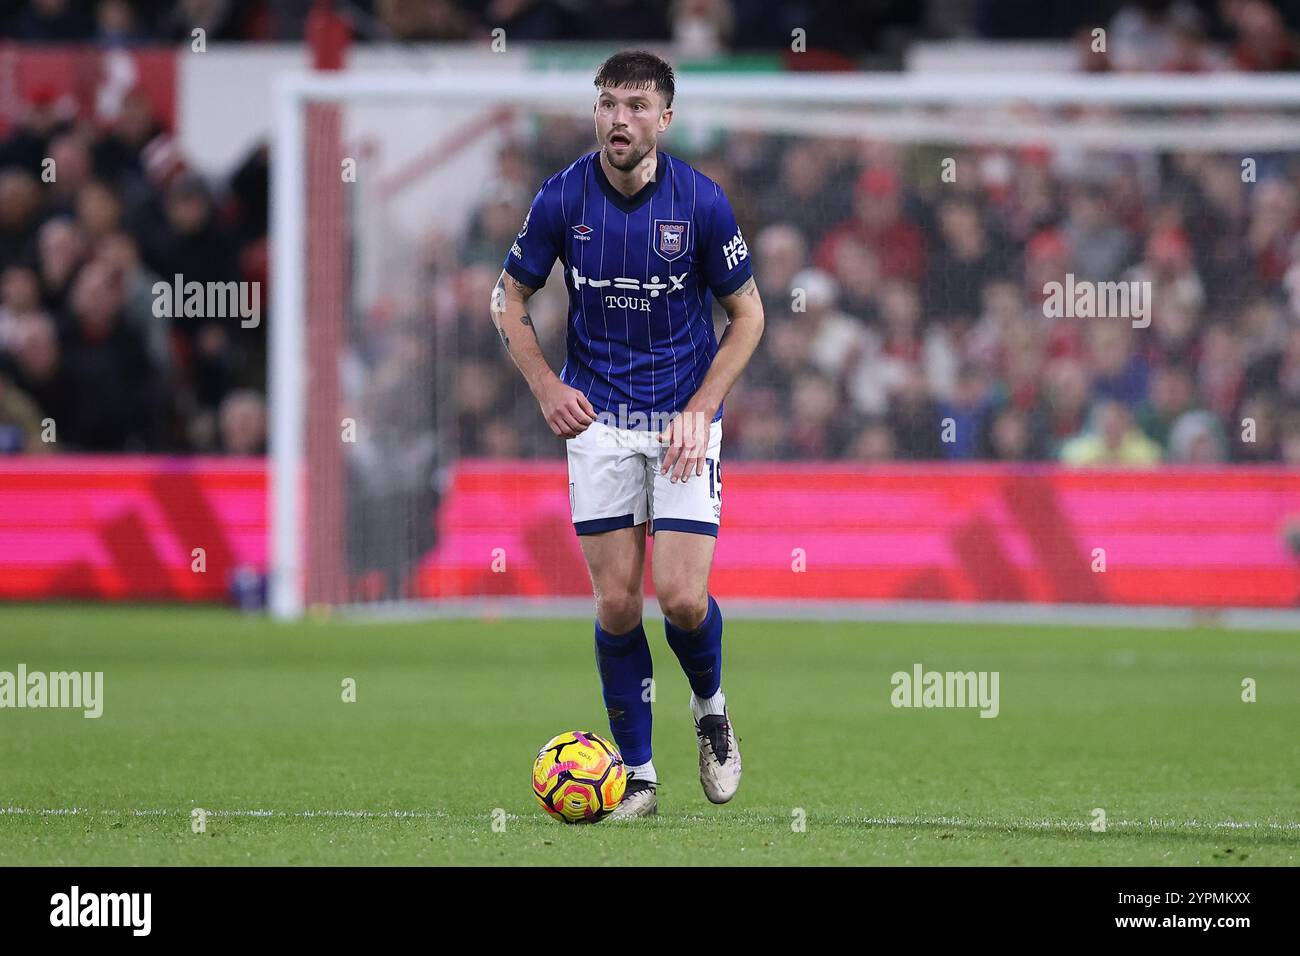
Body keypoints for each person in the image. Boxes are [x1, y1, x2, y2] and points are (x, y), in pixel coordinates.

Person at [490, 50, 764, 818]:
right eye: (608, 103)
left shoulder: (701, 204)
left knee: (679, 597)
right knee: (616, 606)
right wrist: (546, 385)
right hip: (600, 424)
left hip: (681, 421)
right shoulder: (561, 199)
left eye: (637, 105)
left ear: (665, 120)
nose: (619, 118)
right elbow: (505, 301)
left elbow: (750, 314)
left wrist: (705, 406)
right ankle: (638, 777)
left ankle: (709, 707)